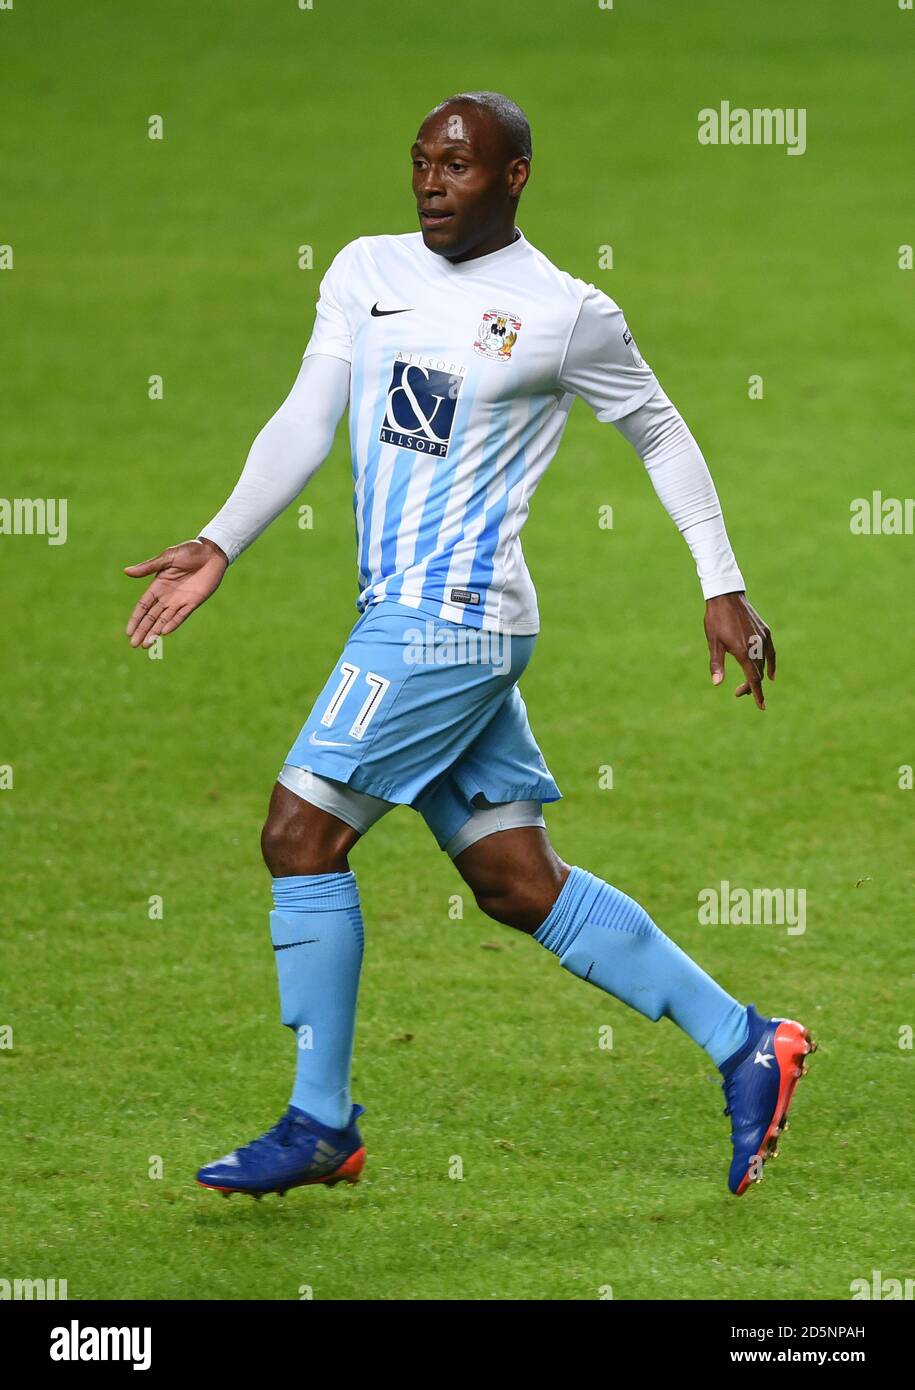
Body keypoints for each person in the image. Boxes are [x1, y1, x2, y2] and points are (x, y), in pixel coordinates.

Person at [124, 92, 813, 1200]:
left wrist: (721, 582)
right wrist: (219, 541)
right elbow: (308, 412)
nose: (431, 182)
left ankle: (320, 1121)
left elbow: (660, 427)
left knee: (299, 836)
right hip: (416, 615)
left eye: (456, 164)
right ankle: (748, 1041)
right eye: (420, 162)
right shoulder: (365, 270)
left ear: (515, 177)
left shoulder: (566, 313)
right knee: (512, 878)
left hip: (450, 623)